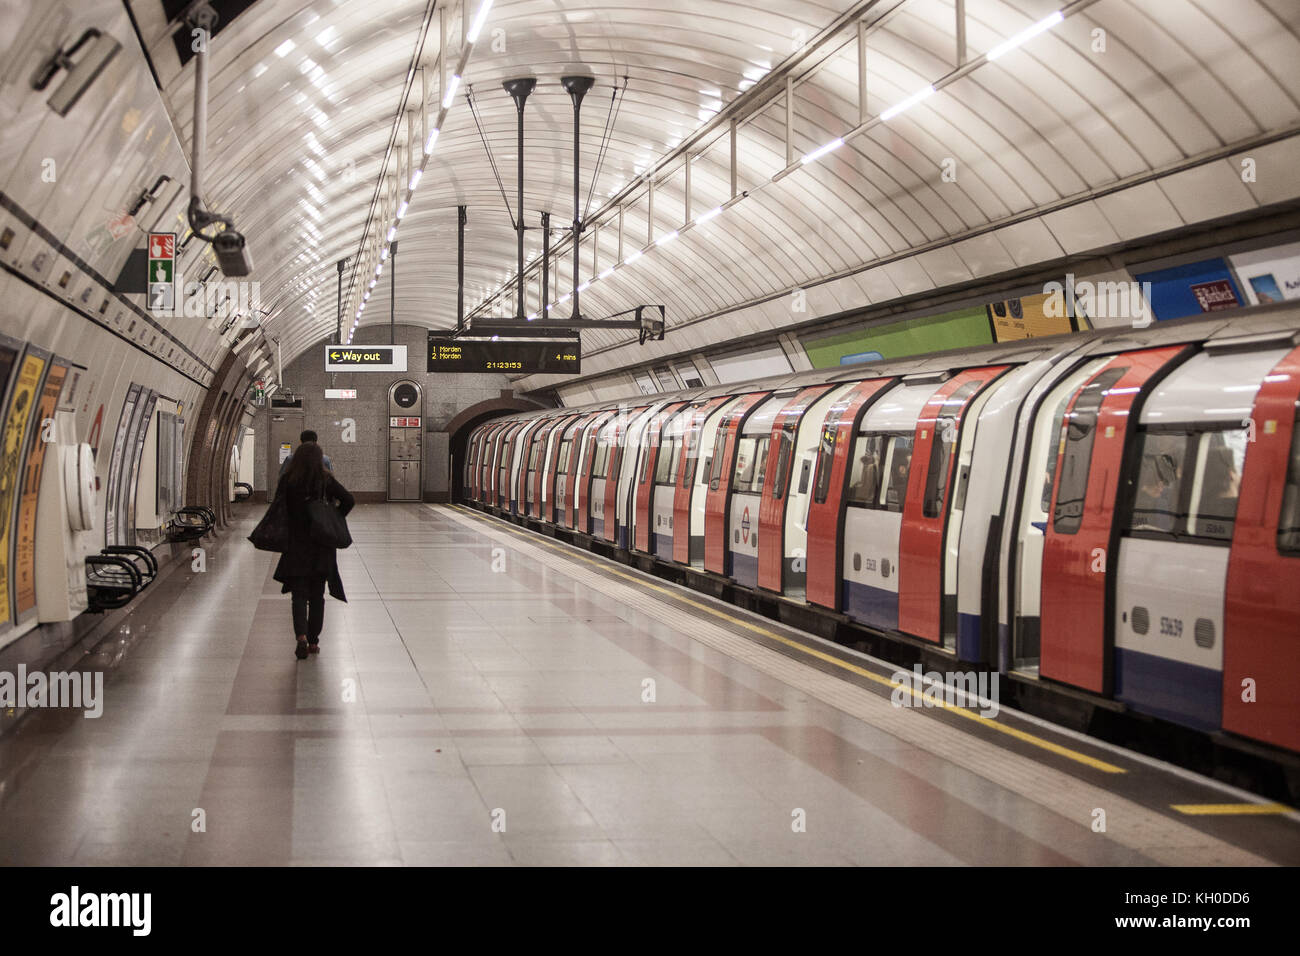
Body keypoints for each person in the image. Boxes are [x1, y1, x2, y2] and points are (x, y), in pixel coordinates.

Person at [272, 442, 354, 660]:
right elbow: (348, 499)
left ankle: (301, 637)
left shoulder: (288, 480)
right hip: (321, 546)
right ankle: (314, 641)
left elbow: (278, 507)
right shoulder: (325, 480)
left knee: (298, 595)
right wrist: (334, 517)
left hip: (296, 546)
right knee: (317, 595)